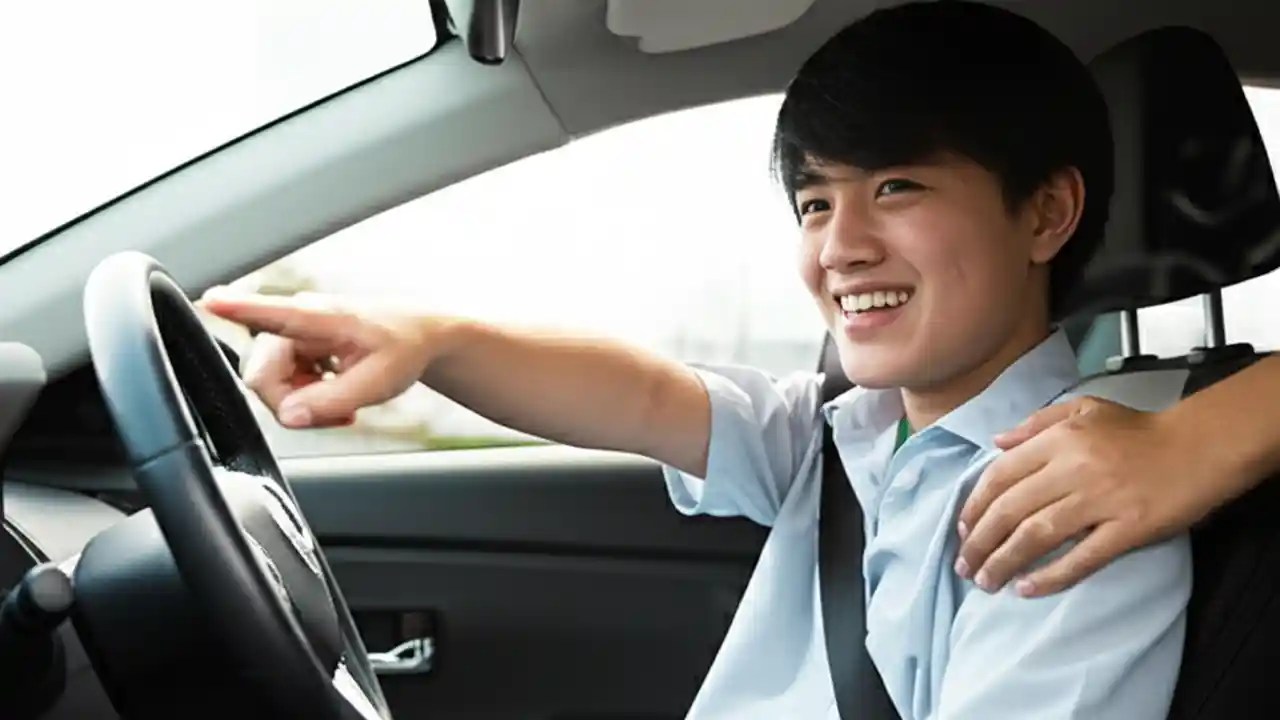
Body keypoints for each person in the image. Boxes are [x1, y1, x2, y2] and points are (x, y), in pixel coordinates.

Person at [201, 3, 1197, 718]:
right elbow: (642, 396)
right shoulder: (842, 433)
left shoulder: (1076, 503)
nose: (839, 246)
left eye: (896, 187)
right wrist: (430, 341)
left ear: (1045, 213)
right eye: (814, 203)